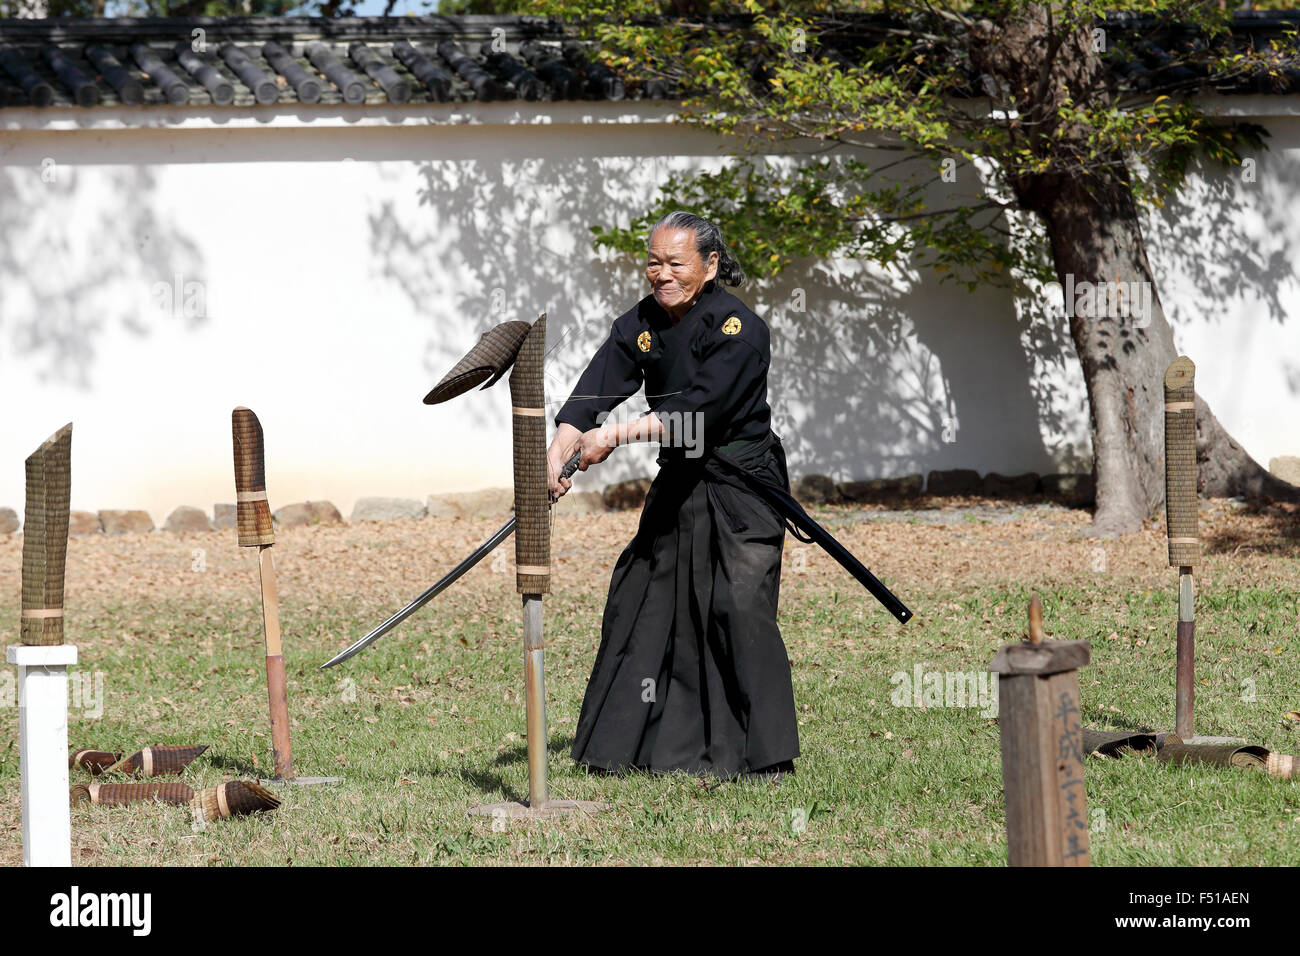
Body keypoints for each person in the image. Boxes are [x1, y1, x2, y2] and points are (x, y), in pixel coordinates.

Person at [547, 210, 798, 781]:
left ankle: (763, 757)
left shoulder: (740, 329)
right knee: (642, 594)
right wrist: (558, 449)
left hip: (741, 483)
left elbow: (697, 415)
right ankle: (630, 748)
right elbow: (596, 389)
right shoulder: (640, 322)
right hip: (680, 481)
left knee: (737, 605)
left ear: (709, 266)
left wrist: (615, 436)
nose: (661, 274)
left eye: (675, 264)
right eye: (653, 262)